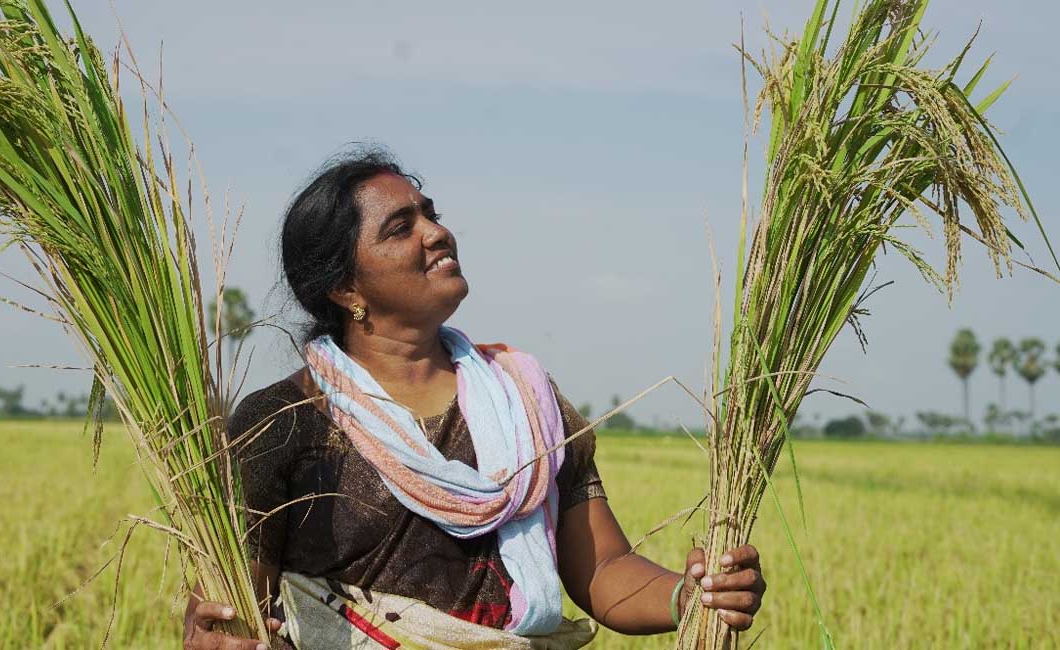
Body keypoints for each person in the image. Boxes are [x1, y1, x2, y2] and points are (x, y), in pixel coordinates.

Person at [183, 150, 766, 650]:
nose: (436, 232)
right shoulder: (285, 423)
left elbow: (604, 570)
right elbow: (244, 611)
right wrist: (214, 628)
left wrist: (687, 595)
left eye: (430, 214)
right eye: (400, 227)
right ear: (345, 288)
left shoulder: (525, 400)